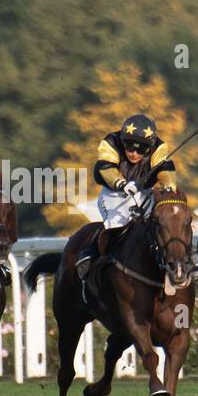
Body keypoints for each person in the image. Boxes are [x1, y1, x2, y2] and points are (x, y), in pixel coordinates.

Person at [75, 113, 176, 277]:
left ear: (149, 148)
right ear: (122, 141)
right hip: (113, 196)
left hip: (144, 194)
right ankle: (93, 257)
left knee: (157, 226)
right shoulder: (111, 142)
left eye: (141, 149)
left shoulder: (159, 148)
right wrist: (120, 183)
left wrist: (170, 186)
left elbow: (165, 170)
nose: (134, 153)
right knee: (118, 227)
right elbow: (105, 167)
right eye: (129, 146)